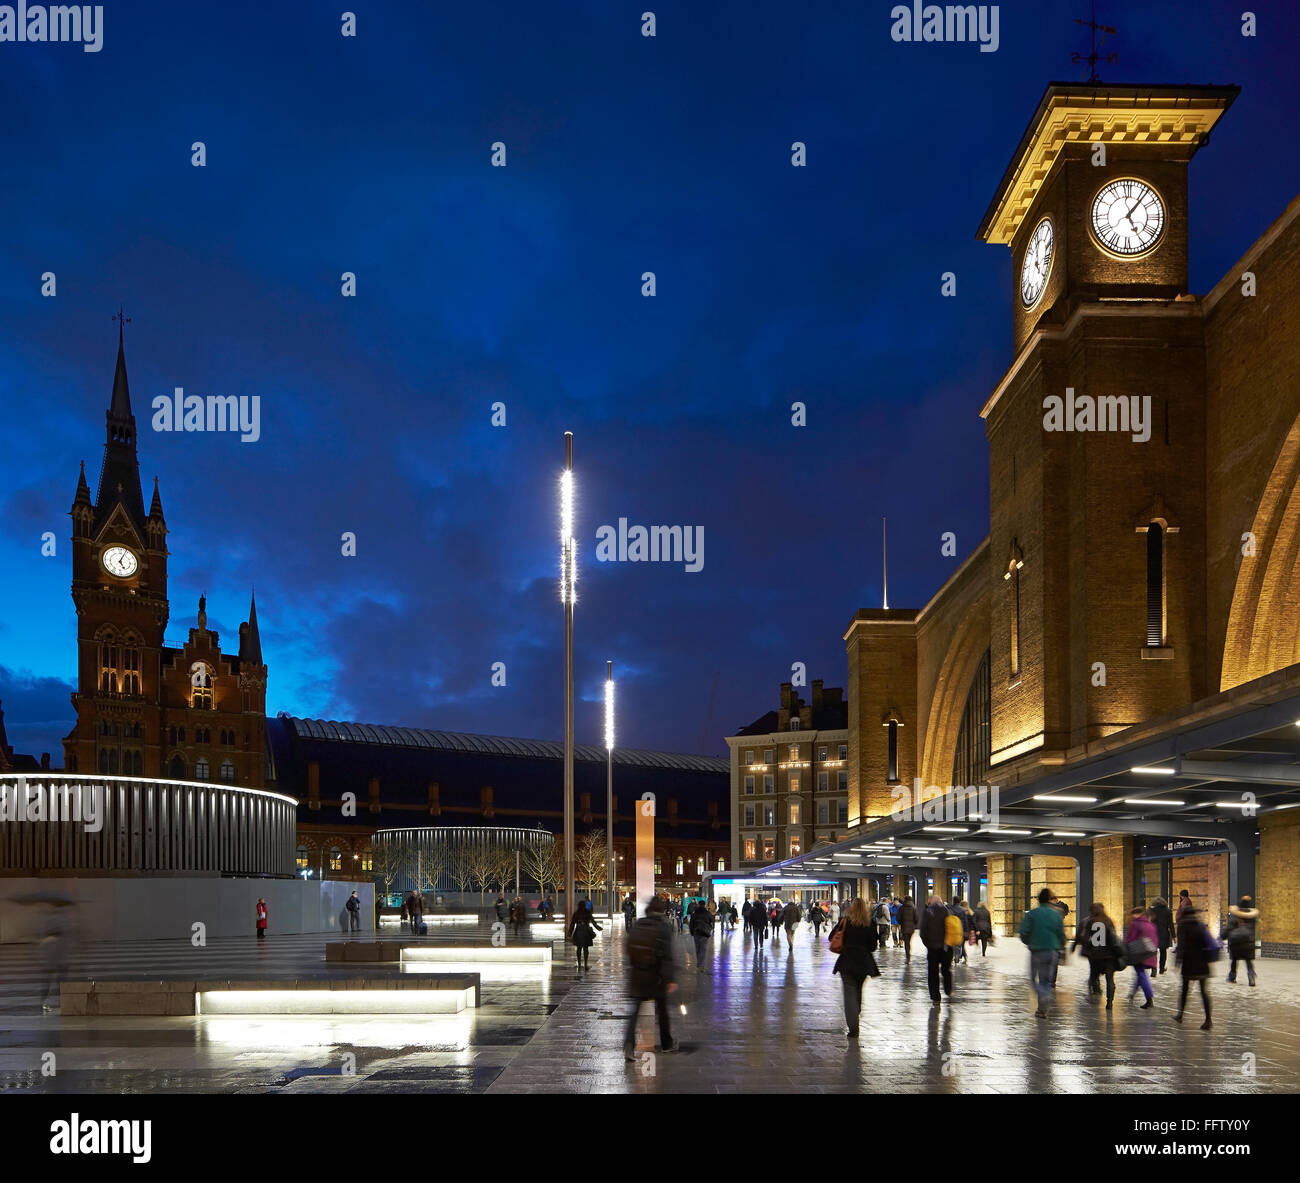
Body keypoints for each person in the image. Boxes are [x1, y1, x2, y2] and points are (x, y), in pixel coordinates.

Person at [624, 896, 678, 1058]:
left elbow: (628, 948)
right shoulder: (663, 927)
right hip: (656, 975)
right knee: (662, 1010)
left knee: (634, 1012)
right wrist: (670, 979)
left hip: (637, 974)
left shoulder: (638, 924)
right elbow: (667, 956)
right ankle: (667, 1043)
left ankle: (628, 1045)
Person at [832, 897, 880, 1038]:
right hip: (863, 962)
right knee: (858, 990)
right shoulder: (869, 922)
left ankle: (853, 1027)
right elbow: (873, 946)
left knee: (849, 994)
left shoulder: (845, 921)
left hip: (847, 960)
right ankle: (856, 1013)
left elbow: (831, 937)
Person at [1019, 888, 1066, 1018]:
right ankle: (1041, 1009)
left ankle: (1044, 996)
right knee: (1046, 980)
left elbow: (1023, 934)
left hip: (1036, 951)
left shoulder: (1032, 914)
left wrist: (1030, 942)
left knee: (1033, 979)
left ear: (1038, 900)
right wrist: (1060, 945)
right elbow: (1062, 935)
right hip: (1052, 952)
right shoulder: (1057, 914)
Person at [1071, 902, 1122, 1009]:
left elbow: (1085, 937)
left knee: (1093, 975)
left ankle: (1094, 991)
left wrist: (1087, 947)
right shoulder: (1108, 921)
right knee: (1110, 980)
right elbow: (1113, 938)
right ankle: (1109, 1002)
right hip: (1109, 956)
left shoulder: (1090, 921)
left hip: (1095, 956)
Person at [1174, 905, 1215, 1029]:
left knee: (1185, 990)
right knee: (1204, 992)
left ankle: (1180, 1015)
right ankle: (1208, 1019)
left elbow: (1181, 946)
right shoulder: (1201, 926)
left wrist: (1177, 962)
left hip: (1189, 962)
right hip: (1202, 963)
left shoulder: (1182, 926)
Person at [920, 894, 956, 1005]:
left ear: (931, 901)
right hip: (946, 947)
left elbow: (922, 931)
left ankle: (936, 997)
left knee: (933, 973)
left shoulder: (927, 912)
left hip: (932, 948)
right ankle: (948, 990)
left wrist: (928, 944)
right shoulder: (948, 911)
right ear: (941, 902)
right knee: (946, 970)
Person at [1125, 905, 1157, 1009]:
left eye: (1133, 914)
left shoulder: (1136, 924)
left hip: (1139, 954)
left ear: (1137, 914)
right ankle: (1132, 993)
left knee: (1141, 973)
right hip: (1150, 953)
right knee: (1140, 973)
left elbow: (1130, 939)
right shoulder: (1151, 925)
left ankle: (1149, 998)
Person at [1222, 896, 1260, 986]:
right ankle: (1251, 978)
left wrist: (1221, 937)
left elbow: (1229, 928)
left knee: (1234, 961)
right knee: (1248, 962)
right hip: (1248, 943)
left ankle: (1232, 977)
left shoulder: (1236, 915)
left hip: (1236, 943)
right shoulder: (1252, 917)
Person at [570, 899, 601, 969]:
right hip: (586, 931)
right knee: (586, 948)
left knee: (579, 948)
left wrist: (570, 933)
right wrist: (598, 928)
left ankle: (579, 964)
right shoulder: (588, 912)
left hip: (578, 931)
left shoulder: (576, 913)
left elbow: (572, 924)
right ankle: (586, 964)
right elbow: (593, 921)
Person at [1047, 893, 1069, 985]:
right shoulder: (1058, 911)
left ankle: (1048, 980)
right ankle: (1052, 981)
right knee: (1053, 961)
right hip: (1054, 942)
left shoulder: (1047, 911)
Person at [1149, 897, 1175, 974]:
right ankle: (1161, 969)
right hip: (1164, 934)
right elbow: (1171, 925)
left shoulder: (1151, 910)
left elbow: (1148, 922)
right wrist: (1174, 936)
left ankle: (1153, 970)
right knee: (1163, 952)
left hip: (1153, 933)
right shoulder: (1168, 911)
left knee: (1153, 952)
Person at [689, 894, 715, 970]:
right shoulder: (707, 913)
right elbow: (712, 920)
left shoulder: (694, 913)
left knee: (697, 949)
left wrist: (691, 932)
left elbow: (691, 923)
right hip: (704, 933)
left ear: (698, 905)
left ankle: (698, 963)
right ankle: (701, 965)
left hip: (696, 933)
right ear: (704, 905)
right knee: (703, 949)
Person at [897, 896, 918, 961]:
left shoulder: (901, 908)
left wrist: (901, 923)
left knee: (906, 942)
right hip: (911, 928)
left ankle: (908, 956)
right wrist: (914, 924)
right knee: (909, 941)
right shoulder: (914, 908)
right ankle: (908, 955)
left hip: (904, 927)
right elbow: (916, 918)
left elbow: (898, 918)